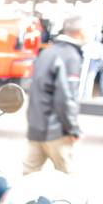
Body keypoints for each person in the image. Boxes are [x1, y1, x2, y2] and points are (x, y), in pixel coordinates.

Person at [24, 15, 84, 175]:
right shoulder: (71, 56)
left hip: (36, 127)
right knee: (66, 181)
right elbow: (66, 98)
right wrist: (73, 129)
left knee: (28, 179)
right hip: (57, 131)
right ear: (81, 32)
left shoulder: (46, 52)